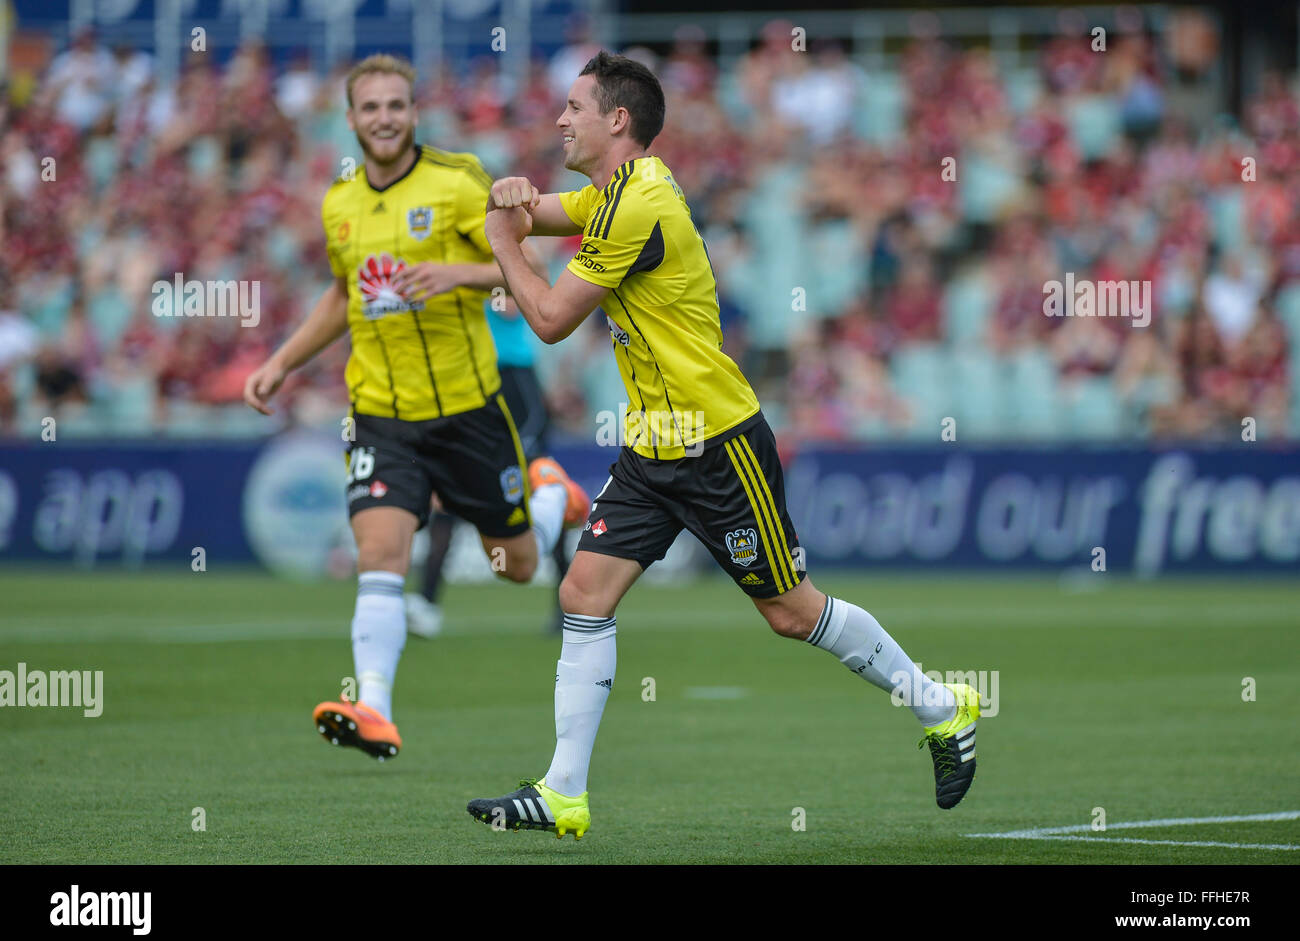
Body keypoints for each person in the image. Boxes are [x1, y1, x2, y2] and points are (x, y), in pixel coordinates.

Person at [466, 52, 982, 838]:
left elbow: (547, 317)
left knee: (789, 611)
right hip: (650, 448)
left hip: (716, 443)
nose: (559, 120)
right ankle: (563, 791)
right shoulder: (613, 193)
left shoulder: (638, 205)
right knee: (582, 593)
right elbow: (539, 212)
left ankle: (944, 707)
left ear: (617, 121)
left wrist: (506, 234)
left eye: (574, 107)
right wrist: (511, 201)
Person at [242, 54, 588, 761]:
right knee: (380, 550)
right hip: (380, 411)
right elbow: (344, 294)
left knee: (514, 564)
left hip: (468, 409)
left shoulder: (458, 181)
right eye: (370, 108)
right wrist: (280, 362)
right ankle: (373, 705)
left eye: (396, 105)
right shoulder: (340, 202)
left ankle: (548, 496)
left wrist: (456, 272)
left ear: (413, 112)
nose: (384, 118)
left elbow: (530, 267)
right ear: (350, 120)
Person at [404, 294, 571, 638]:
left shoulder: (494, 250)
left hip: (514, 383)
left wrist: (465, 279)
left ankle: (570, 604)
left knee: (538, 483)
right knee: (453, 488)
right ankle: (426, 603)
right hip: (471, 381)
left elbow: (509, 309)